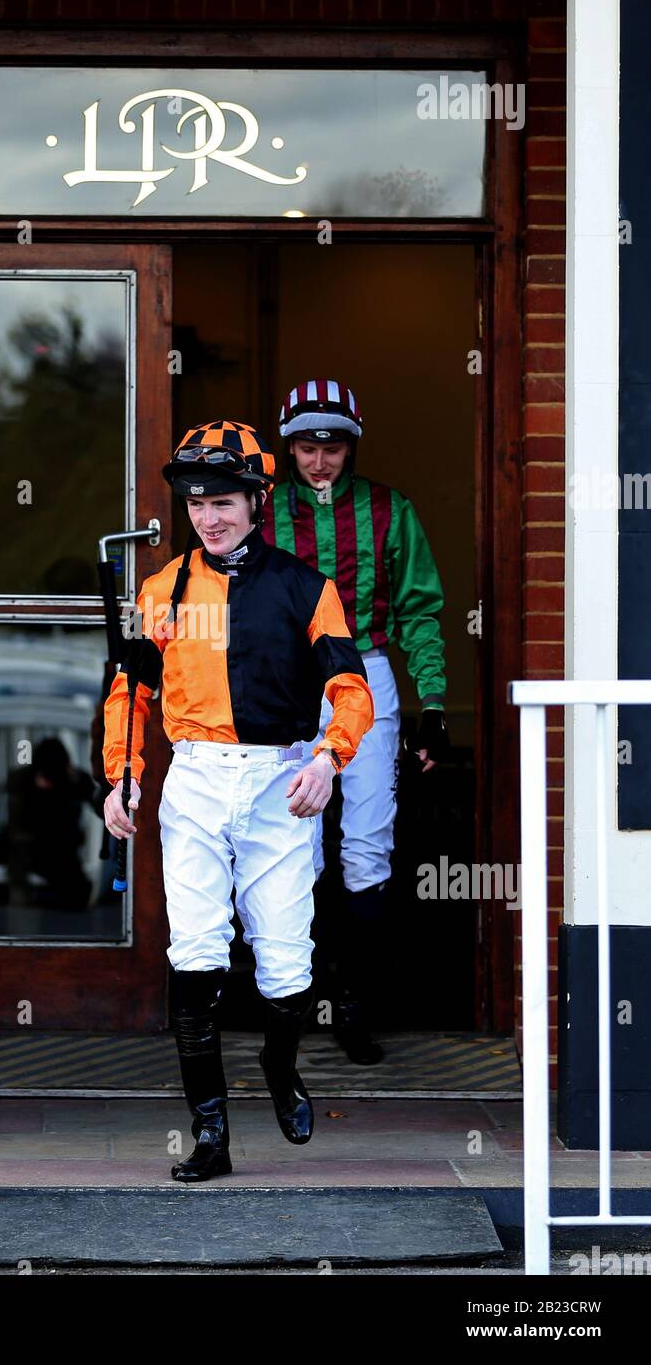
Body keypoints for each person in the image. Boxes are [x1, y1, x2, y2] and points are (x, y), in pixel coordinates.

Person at [102, 420, 374, 1182]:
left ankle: (280, 1066)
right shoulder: (160, 591)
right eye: (194, 504)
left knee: (286, 964)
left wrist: (328, 758)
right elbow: (128, 691)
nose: (207, 518)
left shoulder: (306, 588)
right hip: (192, 778)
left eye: (221, 501)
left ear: (257, 498)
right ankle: (210, 1134)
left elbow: (348, 690)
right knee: (195, 952)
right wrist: (122, 773)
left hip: (277, 781)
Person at [263, 378, 449, 1064]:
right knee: (291, 841)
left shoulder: (387, 510)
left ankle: (353, 1006)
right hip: (285, 679)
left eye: (331, 444)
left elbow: (421, 613)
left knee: (365, 846)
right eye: (307, 445)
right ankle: (287, 1000)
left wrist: (432, 707)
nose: (319, 459)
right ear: (287, 445)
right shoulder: (257, 511)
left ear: (351, 445)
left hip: (366, 673)